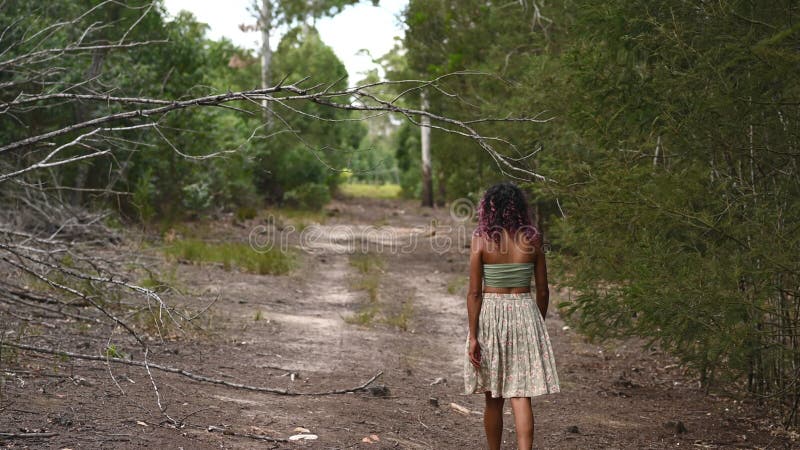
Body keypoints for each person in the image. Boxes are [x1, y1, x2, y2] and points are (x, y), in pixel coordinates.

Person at [464, 181, 560, 450]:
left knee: (493, 396)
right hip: (525, 309)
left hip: (492, 313)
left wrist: (473, 335)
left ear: (489, 208)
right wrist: (536, 322)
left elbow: (474, 293)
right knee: (521, 394)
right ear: (519, 207)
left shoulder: (480, 239)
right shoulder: (533, 238)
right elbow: (543, 290)